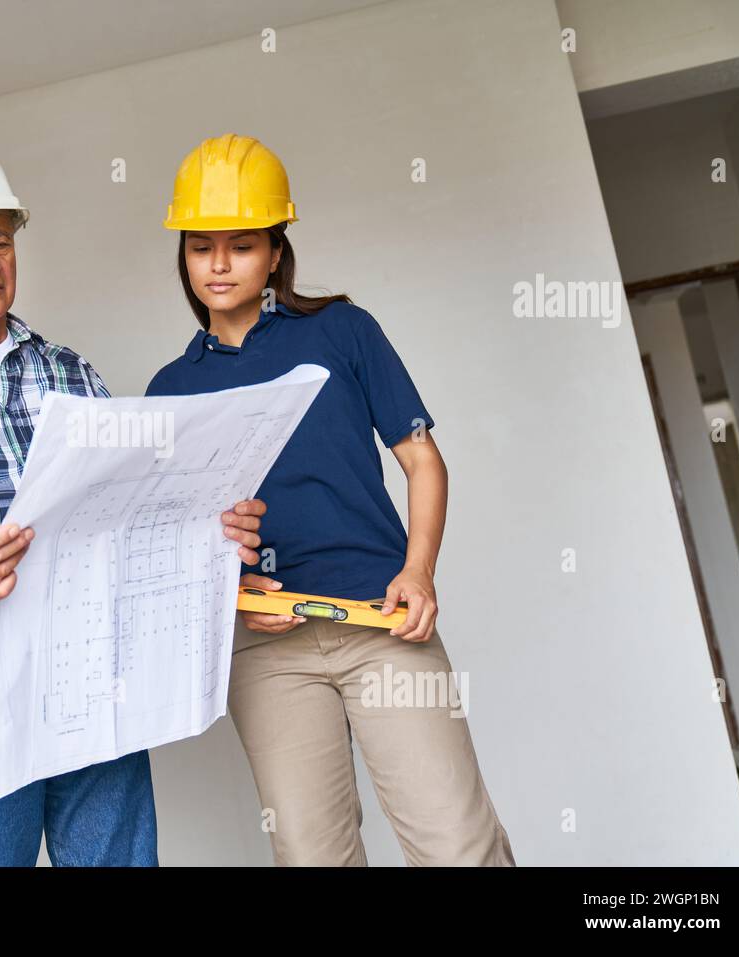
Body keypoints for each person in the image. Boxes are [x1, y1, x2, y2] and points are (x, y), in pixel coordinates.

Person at [0, 141, 266, 866]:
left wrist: (210, 529)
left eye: (1, 241)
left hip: (94, 700)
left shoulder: (71, 372)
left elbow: (127, 523)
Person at [145, 134, 515, 866]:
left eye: (241, 244)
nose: (218, 265)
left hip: (382, 619)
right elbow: (167, 545)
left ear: (275, 252)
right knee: (313, 854)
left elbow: (423, 460)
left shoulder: (342, 331)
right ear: (183, 256)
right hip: (262, 647)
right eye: (201, 247)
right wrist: (231, 589)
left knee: (457, 843)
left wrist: (419, 571)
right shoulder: (169, 391)